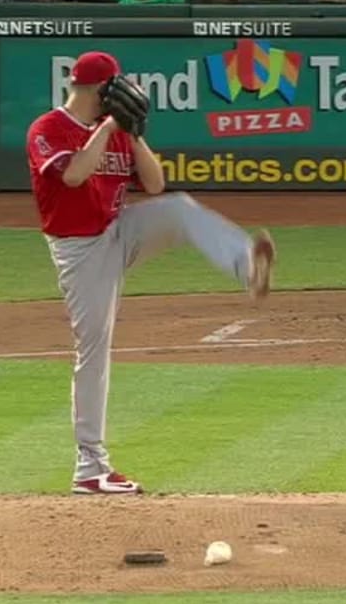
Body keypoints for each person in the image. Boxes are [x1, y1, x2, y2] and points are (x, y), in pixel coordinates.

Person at [26, 50, 276, 494]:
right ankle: (90, 468)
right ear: (99, 90)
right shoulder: (48, 129)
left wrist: (134, 135)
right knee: (94, 349)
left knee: (178, 209)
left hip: (119, 230)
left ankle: (246, 265)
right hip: (80, 250)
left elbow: (156, 183)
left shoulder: (119, 132)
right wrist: (107, 128)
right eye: (114, 90)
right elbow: (73, 176)